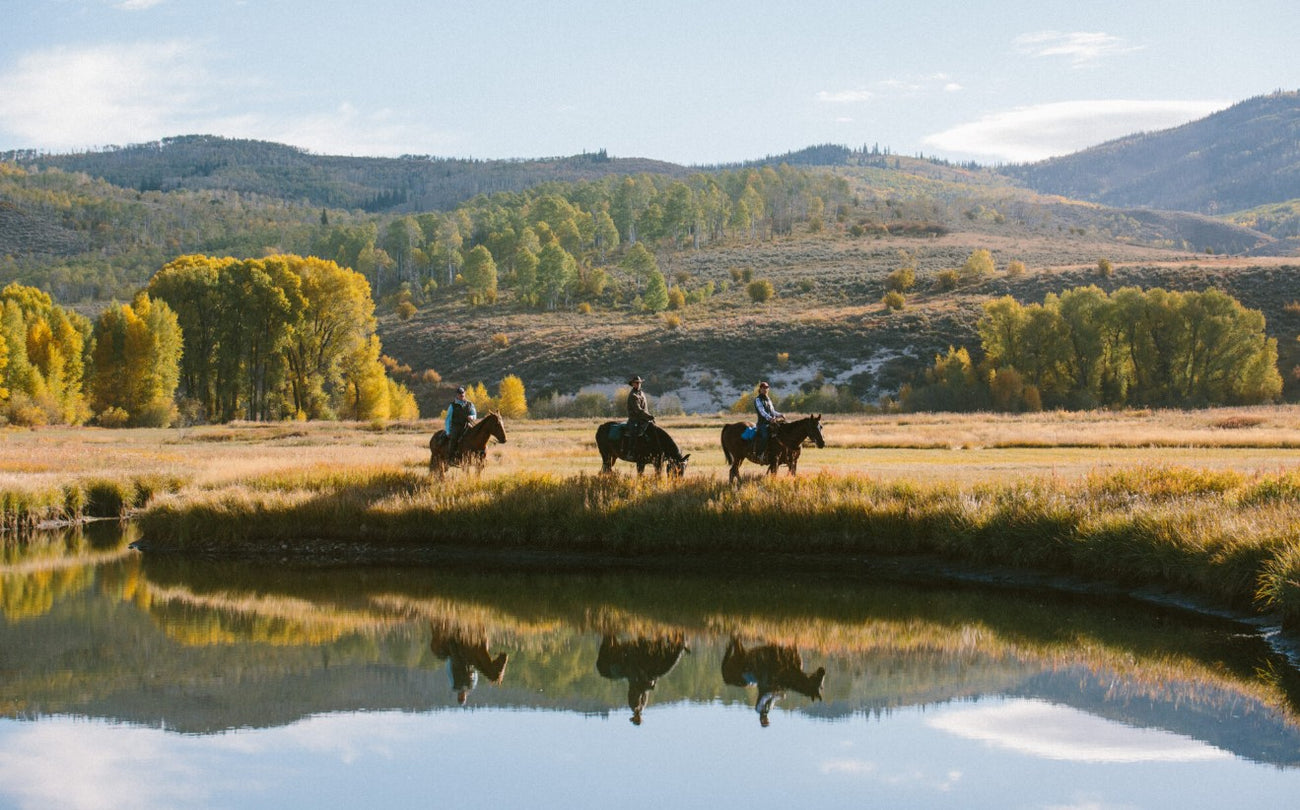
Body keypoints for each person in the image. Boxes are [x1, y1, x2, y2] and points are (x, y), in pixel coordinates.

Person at [622, 375, 654, 458]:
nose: (638, 384)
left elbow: (645, 408)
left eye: (639, 383)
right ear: (633, 384)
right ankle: (630, 452)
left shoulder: (642, 393)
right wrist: (649, 416)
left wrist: (648, 417)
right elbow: (638, 410)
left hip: (644, 418)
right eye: (636, 383)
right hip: (634, 419)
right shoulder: (633, 395)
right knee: (634, 434)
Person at [753, 381, 784, 463]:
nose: (765, 389)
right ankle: (760, 454)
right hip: (762, 424)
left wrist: (780, 415)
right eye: (763, 388)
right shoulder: (758, 400)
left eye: (767, 388)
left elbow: (773, 411)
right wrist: (770, 418)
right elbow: (762, 412)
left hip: (771, 423)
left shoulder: (768, 399)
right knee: (765, 436)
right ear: (760, 389)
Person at [445, 386, 477, 462]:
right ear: (457, 395)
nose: (461, 395)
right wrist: (448, 431)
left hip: (468, 426)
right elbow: (448, 419)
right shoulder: (452, 406)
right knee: (454, 439)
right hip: (456, 427)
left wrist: (471, 417)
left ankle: (477, 456)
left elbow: (474, 415)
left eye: (462, 393)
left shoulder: (470, 404)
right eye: (460, 393)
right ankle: (451, 458)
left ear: (465, 393)